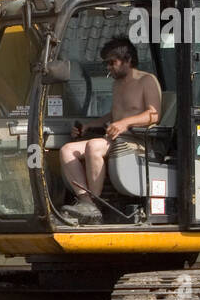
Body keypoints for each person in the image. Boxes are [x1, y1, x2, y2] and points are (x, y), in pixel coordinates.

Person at [58, 36, 162, 224]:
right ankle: (86, 201)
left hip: (137, 141)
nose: (108, 67)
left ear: (128, 60)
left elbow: (154, 115)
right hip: (115, 139)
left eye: (111, 62)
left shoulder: (146, 81)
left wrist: (125, 123)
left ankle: (92, 204)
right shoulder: (117, 85)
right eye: (106, 63)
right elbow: (114, 114)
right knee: (67, 150)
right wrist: (90, 125)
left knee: (93, 146)